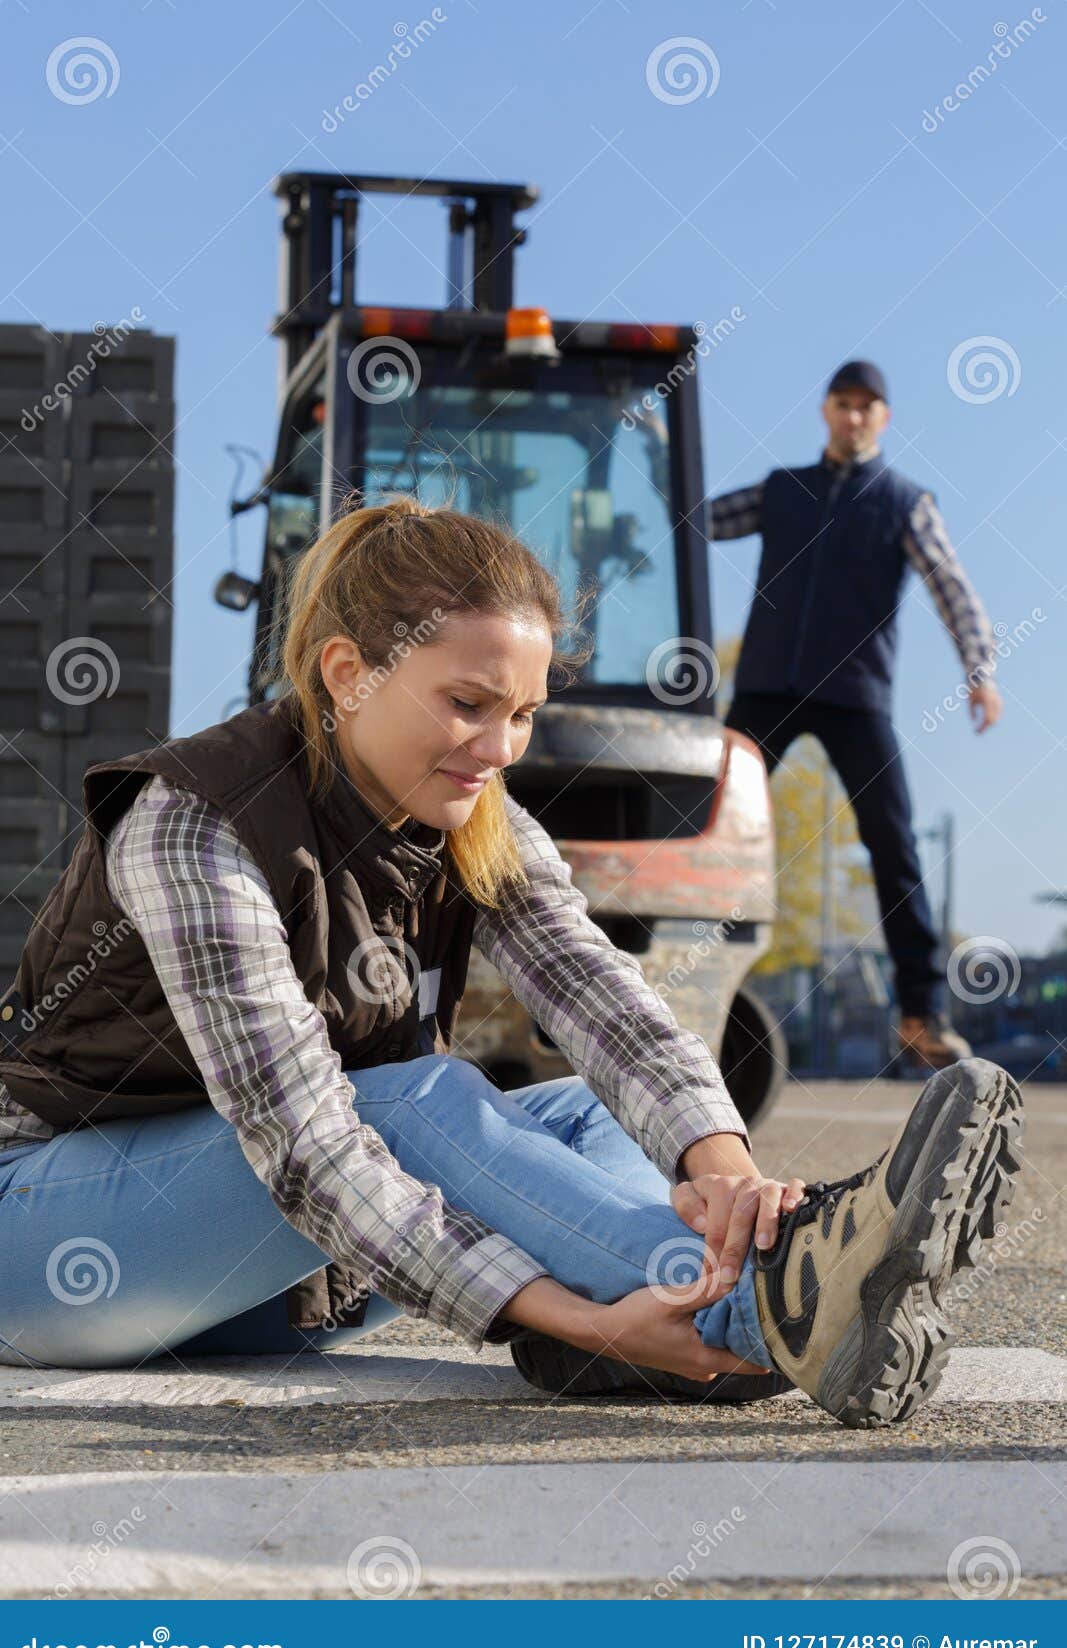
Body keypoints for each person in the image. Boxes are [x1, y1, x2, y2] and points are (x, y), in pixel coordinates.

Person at [0, 496, 1023, 1428]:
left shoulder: (478, 821)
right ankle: (767, 1312)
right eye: (467, 702)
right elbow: (306, 1143)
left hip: (271, 1285)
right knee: (406, 1105)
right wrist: (575, 1316)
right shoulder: (192, 822)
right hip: (54, 1249)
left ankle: (723, 1289)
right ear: (348, 674)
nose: (499, 746)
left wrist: (731, 1179)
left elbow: (605, 1002)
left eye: (522, 713)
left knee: (579, 1110)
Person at [705, 359, 1001, 1070]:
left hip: (855, 695)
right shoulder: (782, 491)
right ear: (825, 410)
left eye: (867, 406)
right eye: (843, 403)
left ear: (883, 418)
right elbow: (696, 518)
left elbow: (950, 586)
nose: (854, 416)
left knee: (892, 842)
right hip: (766, 687)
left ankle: (921, 1013)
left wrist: (979, 669)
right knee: (704, 823)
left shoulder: (904, 501)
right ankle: (658, 978)